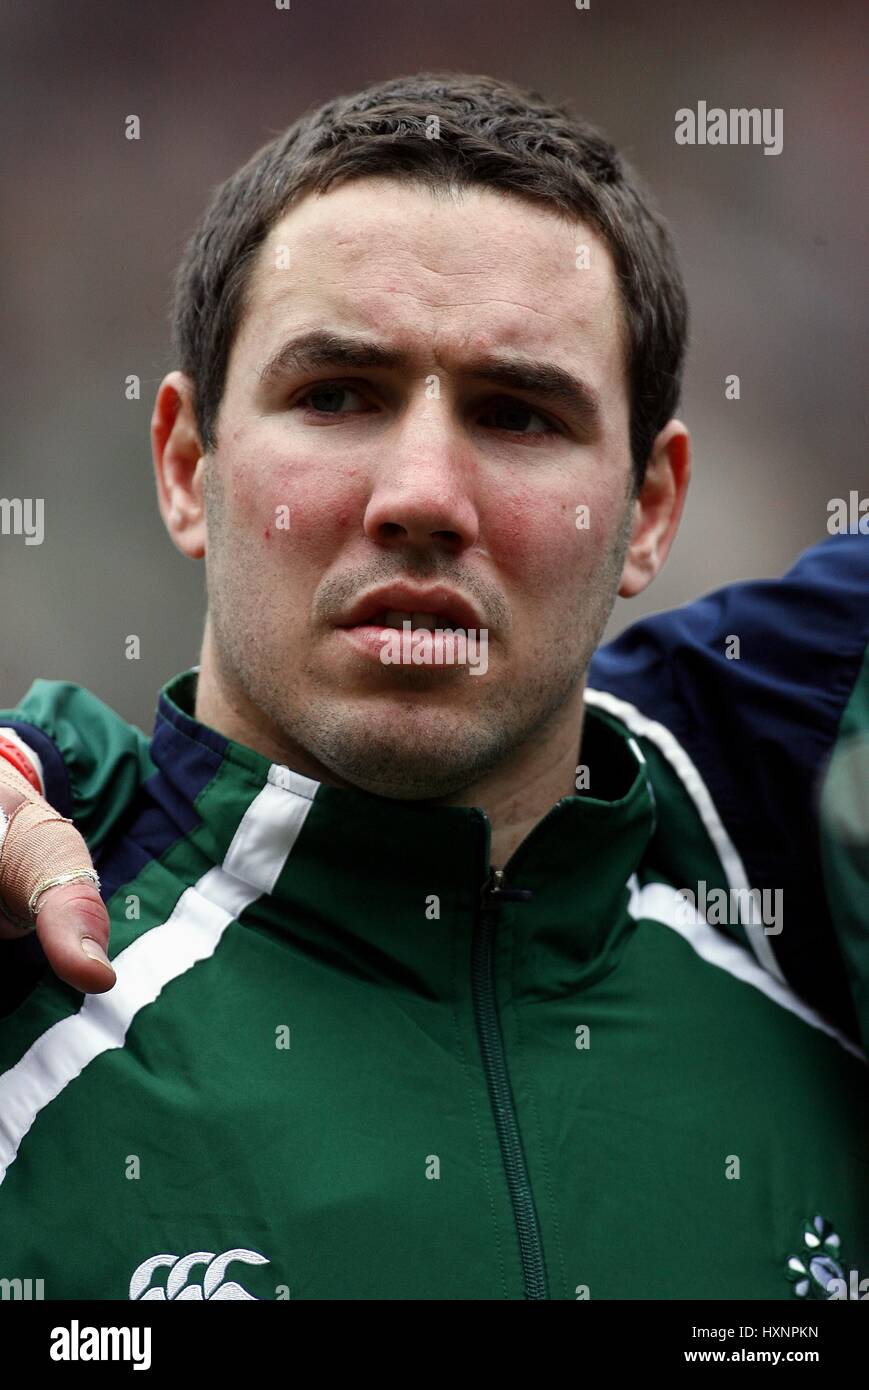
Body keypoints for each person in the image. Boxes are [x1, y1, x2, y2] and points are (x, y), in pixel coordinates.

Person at [0, 72, 866, 1301]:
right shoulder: (27, 1011)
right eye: (335, 395)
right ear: (187, 464)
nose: (421, 496)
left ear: (646, 511)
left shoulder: (804, 954)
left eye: (518, 415)